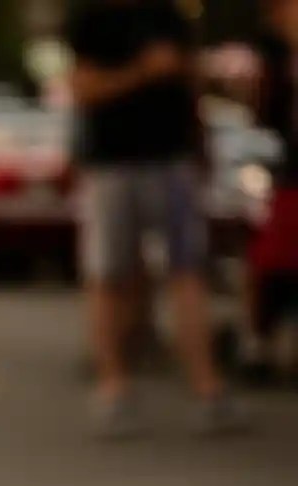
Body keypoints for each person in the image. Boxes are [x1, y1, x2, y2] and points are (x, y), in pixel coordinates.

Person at [67, 0, 245, 436]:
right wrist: (143, 72)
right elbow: (83, 89)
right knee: (108, 275)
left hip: (171, 161)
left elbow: (191, 89)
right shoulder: (92, 18)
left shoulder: (170, 17)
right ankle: (114, 387)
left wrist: (202, 143)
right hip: (112, 165)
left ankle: (207, 388)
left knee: (188, 271)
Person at [241, 0, 298, 373]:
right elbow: (266, 116)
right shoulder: (278, 60)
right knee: (270, 261)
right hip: (292, 175)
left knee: (273, 259)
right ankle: (261, 341)